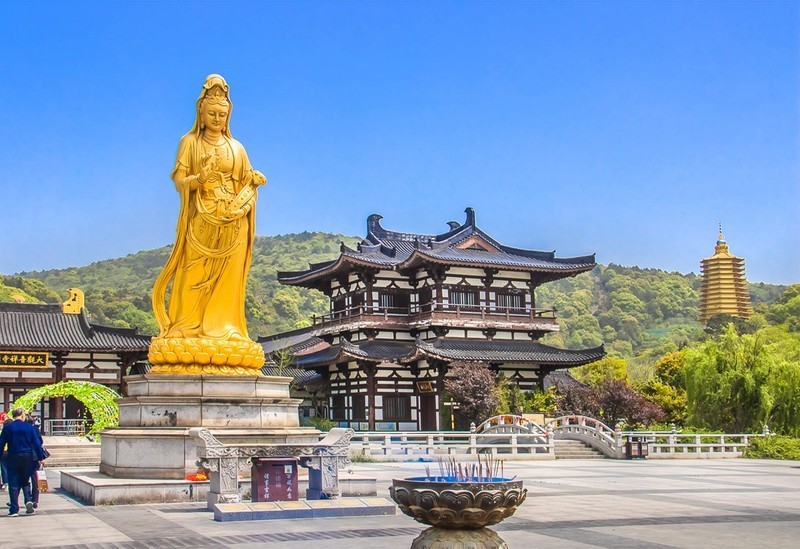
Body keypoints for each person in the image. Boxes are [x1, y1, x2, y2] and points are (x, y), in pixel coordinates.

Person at [152, 74, 267, 343]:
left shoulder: (237, 148)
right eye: (212, 113)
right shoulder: (189, 143)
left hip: (234, 219)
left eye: (222, 114)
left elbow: (246, 180)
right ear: (201, 113)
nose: (217, 119)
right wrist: (199, 179)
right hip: (201, 219)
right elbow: (180, 181)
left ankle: (227, 328)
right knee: (194, 271)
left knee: (229, 276)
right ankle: (186, 326)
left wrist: (255, 180)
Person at [0, 409, 46, 516]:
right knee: (25, 480)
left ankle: (14, 509)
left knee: (13, 482)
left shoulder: (7, 428)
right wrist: (40, 457)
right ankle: (28, 500)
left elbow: (1, 444)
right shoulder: (30, 427)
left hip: (13, 456)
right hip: (27, 456)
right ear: (21, 415)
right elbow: (36, 443)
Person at [25, 415, 43, 509]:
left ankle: (28, 498)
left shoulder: (23, 429)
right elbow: (39, 442)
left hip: (24, 456)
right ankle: (35, 500)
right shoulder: (35, 429)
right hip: (34, 457)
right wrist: (41, 457)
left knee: (25, 480)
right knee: (35, 479)